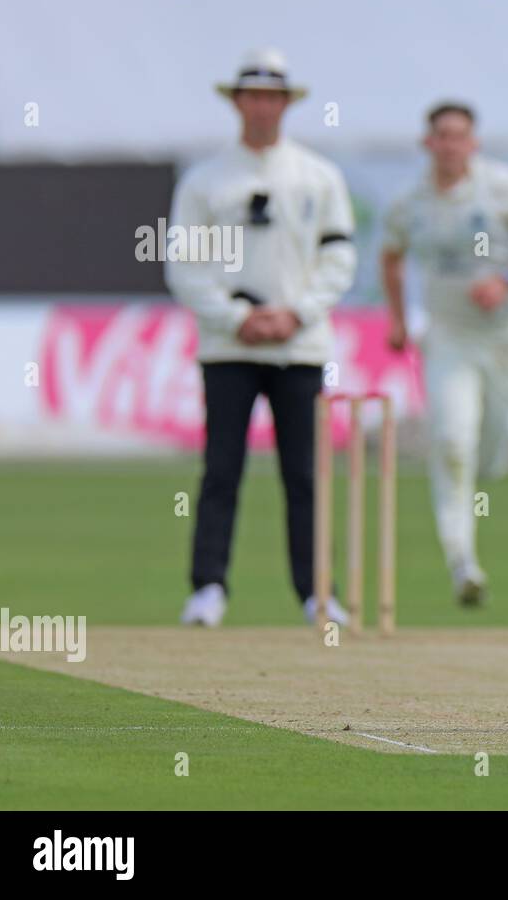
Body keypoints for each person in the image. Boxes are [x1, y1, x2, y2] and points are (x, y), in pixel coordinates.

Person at [167, 48, 357, 627]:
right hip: (231, 346)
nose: (262, 107)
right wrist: (235, 317)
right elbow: (184, 266)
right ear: (237, 102)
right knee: (222, 468)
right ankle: (208, 590)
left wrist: (295, 314)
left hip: (298, 347)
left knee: (303, 473)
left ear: (285, 104)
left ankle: (317, 593)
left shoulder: (318, 175)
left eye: (272, 97)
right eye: (252, 96)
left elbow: (340, 257)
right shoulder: (205, 179)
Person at [380, 103, 508, 605]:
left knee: (487, 454)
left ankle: (484, 469)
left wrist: (505, 280)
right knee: (451, 441)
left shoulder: (503, 186)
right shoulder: (409, 203)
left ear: (473, 143)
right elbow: (390, 257)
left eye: (459, 136)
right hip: (447, 337)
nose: (450, 145)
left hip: (505, 338)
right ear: (428, 143)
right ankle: (461, 559)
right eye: (441, 136)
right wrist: (398, 319)